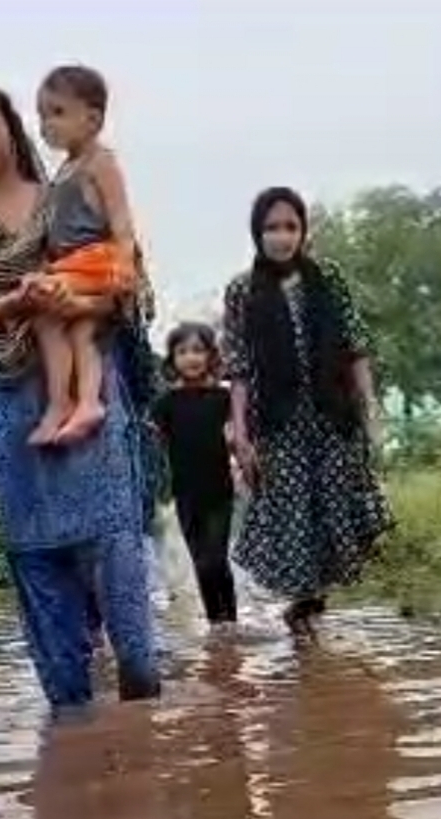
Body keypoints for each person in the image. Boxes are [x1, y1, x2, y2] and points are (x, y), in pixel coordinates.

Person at [0, 81, 159, 714]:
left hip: (92, 399)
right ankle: (73, 730)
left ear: (11, 130)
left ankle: (144, 722)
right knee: (39, 567)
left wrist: (73, 299)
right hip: (10, 410)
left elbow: (127, 284)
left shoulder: (63, 194)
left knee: (117, 561)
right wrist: (13, 303)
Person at [221, 186, 392, 638]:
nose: (281, 237)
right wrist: (239, 433)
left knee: (335, 503)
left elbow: (355, 345)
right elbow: (238, 367)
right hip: (276, 422)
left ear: (303, 232)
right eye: (271, 228)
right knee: (290, 508)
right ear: (257, 234)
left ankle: (314, 599)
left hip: (330, 413)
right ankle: (303, 601)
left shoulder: (327, 278)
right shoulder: (242, 291)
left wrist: (369, 406)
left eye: (290, 227)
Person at [25, 64, 140, 447]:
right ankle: (87, 402)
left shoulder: (100, 163)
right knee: (77, 327)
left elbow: (121, 222)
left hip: (98, 261)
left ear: (92, 119)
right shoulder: (62, 171)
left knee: (44, 307)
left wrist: (125, 268)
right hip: (71, 265)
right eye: (42, 115)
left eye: (57, 113)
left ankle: (61, 402)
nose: (47, 124)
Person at [152, 322, 238, 628]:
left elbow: (238, 436)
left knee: (216, 559)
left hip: (221, 492)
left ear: (210, 356)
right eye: (183, 351)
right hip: (186, 494)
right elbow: (155, 445)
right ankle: (219, 625)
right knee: (202, 564)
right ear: (172, 359)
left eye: (198, 350)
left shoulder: (223, 399)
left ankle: (231, 620)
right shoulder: (165, 404)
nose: (191, 358)